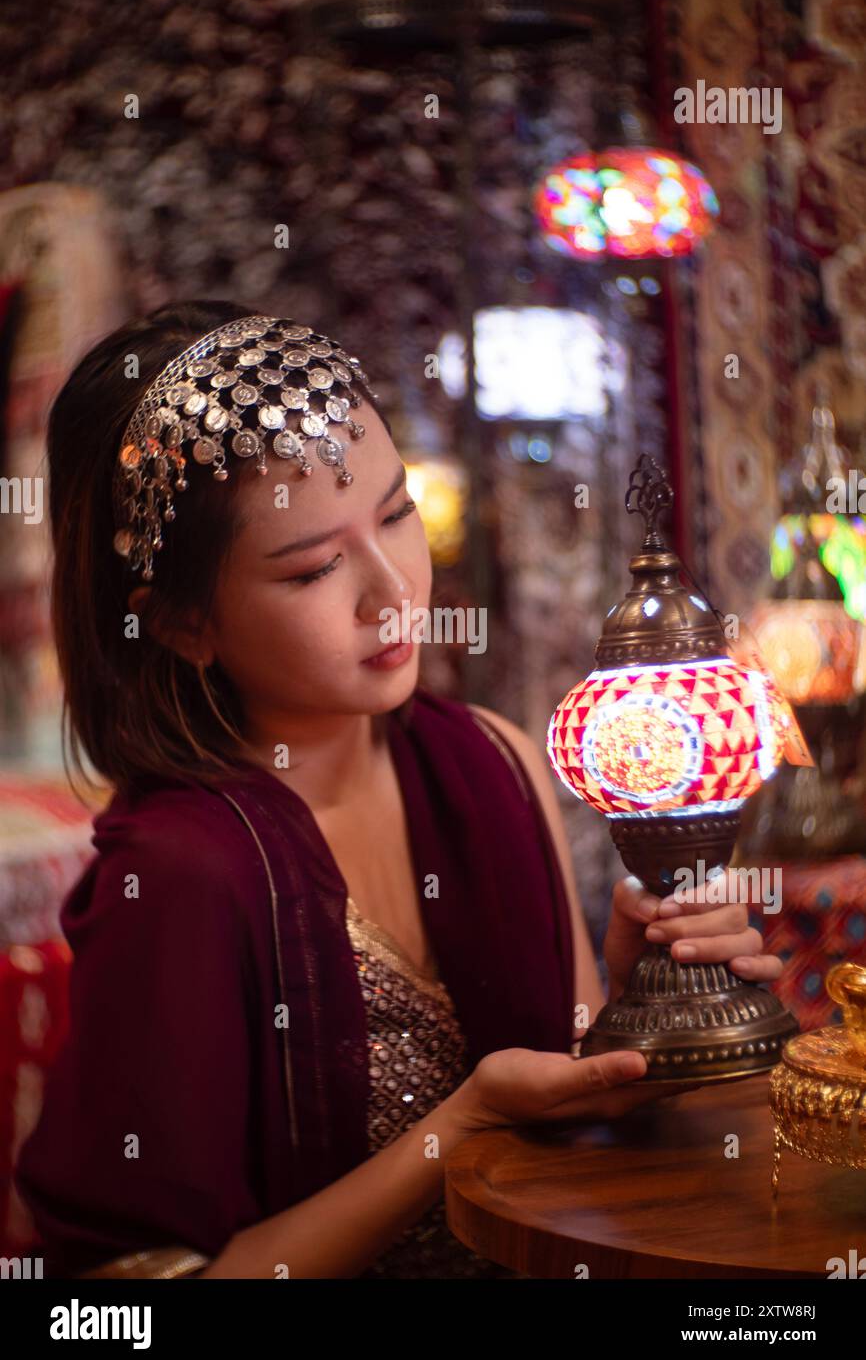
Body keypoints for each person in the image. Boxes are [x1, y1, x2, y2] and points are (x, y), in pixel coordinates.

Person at [14, 301, 783, 1279]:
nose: (392, 592)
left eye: (396, 512)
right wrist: (458, 1128)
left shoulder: (490, 761)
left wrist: (650, 1007)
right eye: (313, 568)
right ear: (176, 623)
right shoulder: (181, 876)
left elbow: (569, 1101)